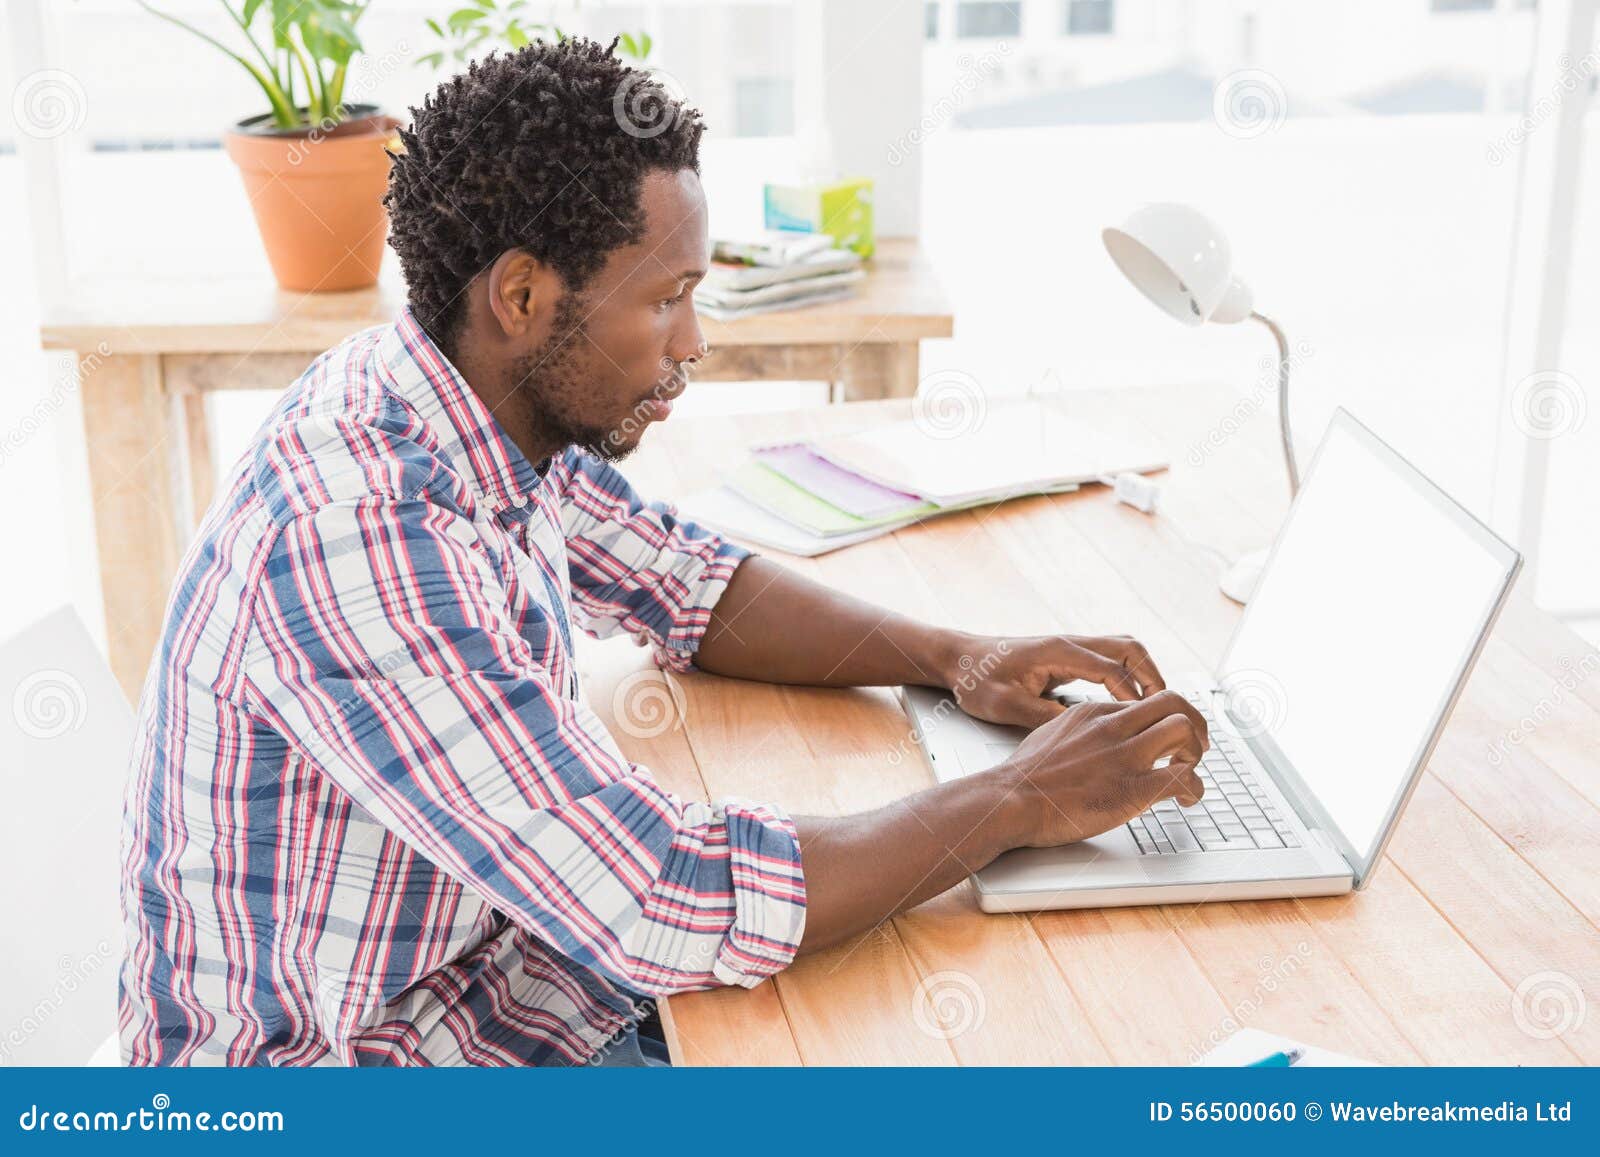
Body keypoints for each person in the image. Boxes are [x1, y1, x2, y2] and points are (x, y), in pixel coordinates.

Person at [118, 37, 1207, 1067]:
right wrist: (1018, 797)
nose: (694, 341)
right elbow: (658, 899)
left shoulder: (468, 405)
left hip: (507, 992)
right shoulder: (360, 534)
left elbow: (689, 581)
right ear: (523, 296)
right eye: (666, 298)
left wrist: (955, 656)